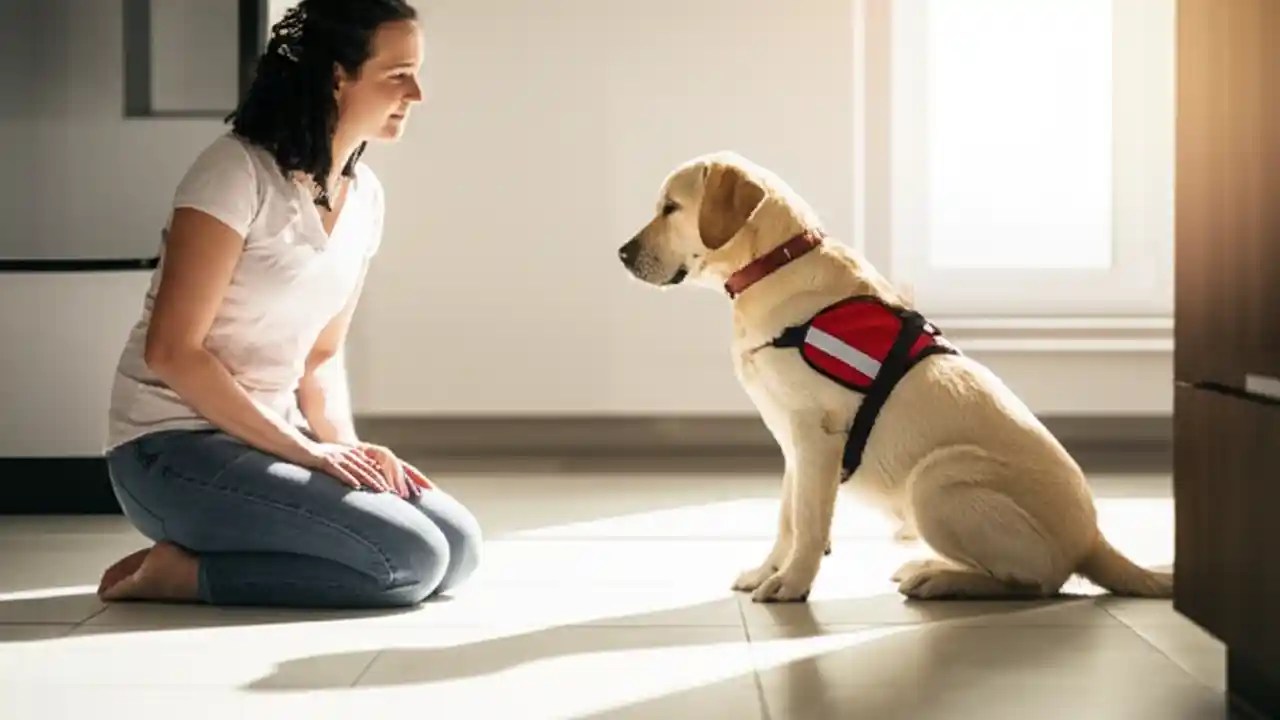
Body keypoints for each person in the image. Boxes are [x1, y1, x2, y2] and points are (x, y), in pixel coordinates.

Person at [96, 0, 482, 608]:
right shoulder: (234, 171)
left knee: (459, 550)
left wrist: (346, 448)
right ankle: (184, 576)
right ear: (337, 76)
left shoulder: (366, 196)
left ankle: (238, 544)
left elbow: (321, 357)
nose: (418, 93)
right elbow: (172, 351)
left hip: (269, 437)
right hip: (170, 449)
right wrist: (307, 453)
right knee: (409, 560)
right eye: (398, 74)